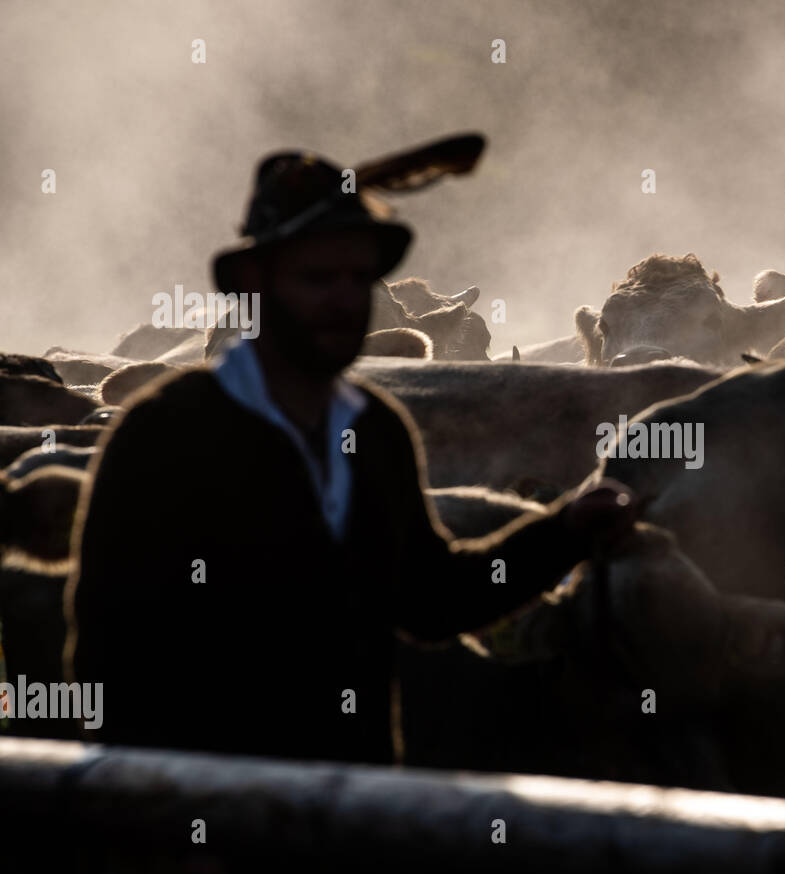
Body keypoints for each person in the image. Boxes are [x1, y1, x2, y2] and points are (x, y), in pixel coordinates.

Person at [64, 149, 636, 764]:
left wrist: (565, 532)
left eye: (358, 279)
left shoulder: (376, 431)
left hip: (351, 815)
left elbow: (430, 599)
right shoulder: (163, 433)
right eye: (317, 279)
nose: (343, 300)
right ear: (256, 284)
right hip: (212, 811)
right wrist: (163, 831)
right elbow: (109, 655)